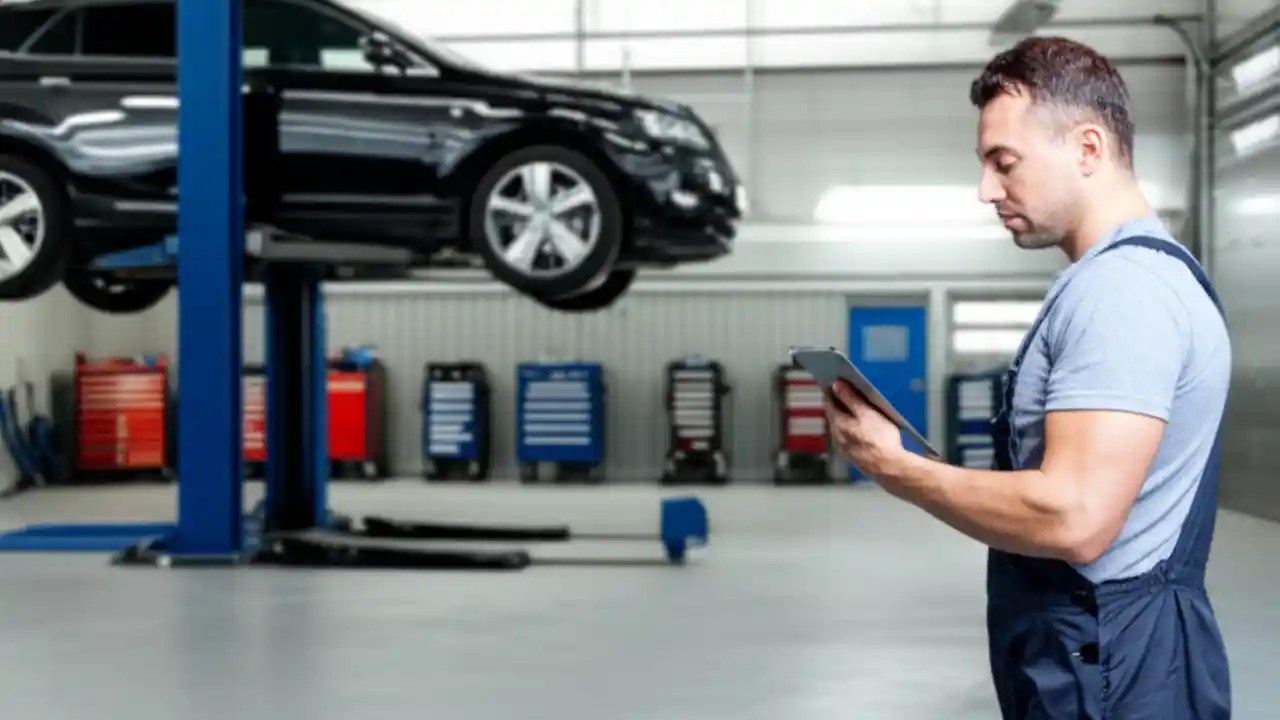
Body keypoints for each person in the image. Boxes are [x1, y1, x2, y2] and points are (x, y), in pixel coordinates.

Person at [824, 36, 1233, 719]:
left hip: (1113, 667)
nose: (986, 189)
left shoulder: (1123, 292)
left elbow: (1075, 517)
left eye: (1003, 162)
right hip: (1100, 651)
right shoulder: (1120, 279)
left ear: (1088, 149)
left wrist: (899, 470)